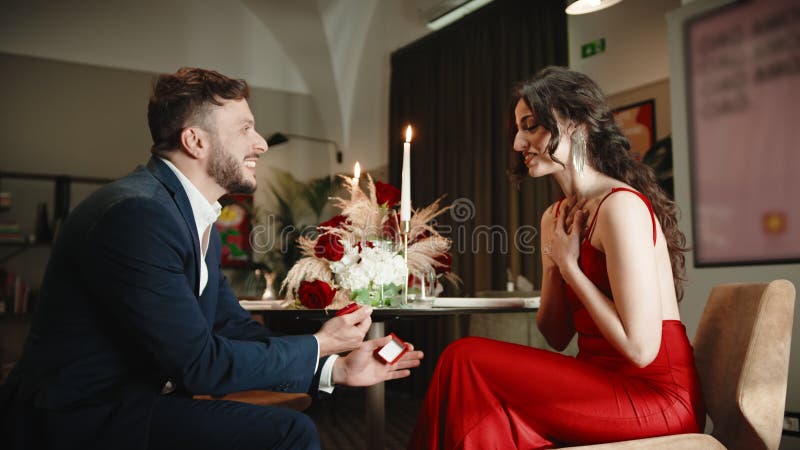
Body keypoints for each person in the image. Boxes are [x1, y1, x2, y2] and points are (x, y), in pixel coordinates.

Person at [0, 67, 423, 450]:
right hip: (80, 417)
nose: (260, 144)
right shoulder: (138, 214)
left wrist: (336, 368)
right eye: (245, 129)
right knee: (289, 434)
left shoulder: (192, 216)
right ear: (195, 140)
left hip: (134, 402)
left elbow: (231, 327)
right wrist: (318, 343)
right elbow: (199, 365)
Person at [409, 66, 704, 449]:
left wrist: (569, 266)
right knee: (485, 406)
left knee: (463, 357)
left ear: (577, 124)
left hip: (657, 398)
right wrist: (553, 268)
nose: (517, 143)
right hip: (598, 382)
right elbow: (557, 335)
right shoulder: (555, 215)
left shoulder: (621, 207)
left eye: (530, 125)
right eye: (518, 129)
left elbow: (641, 349)